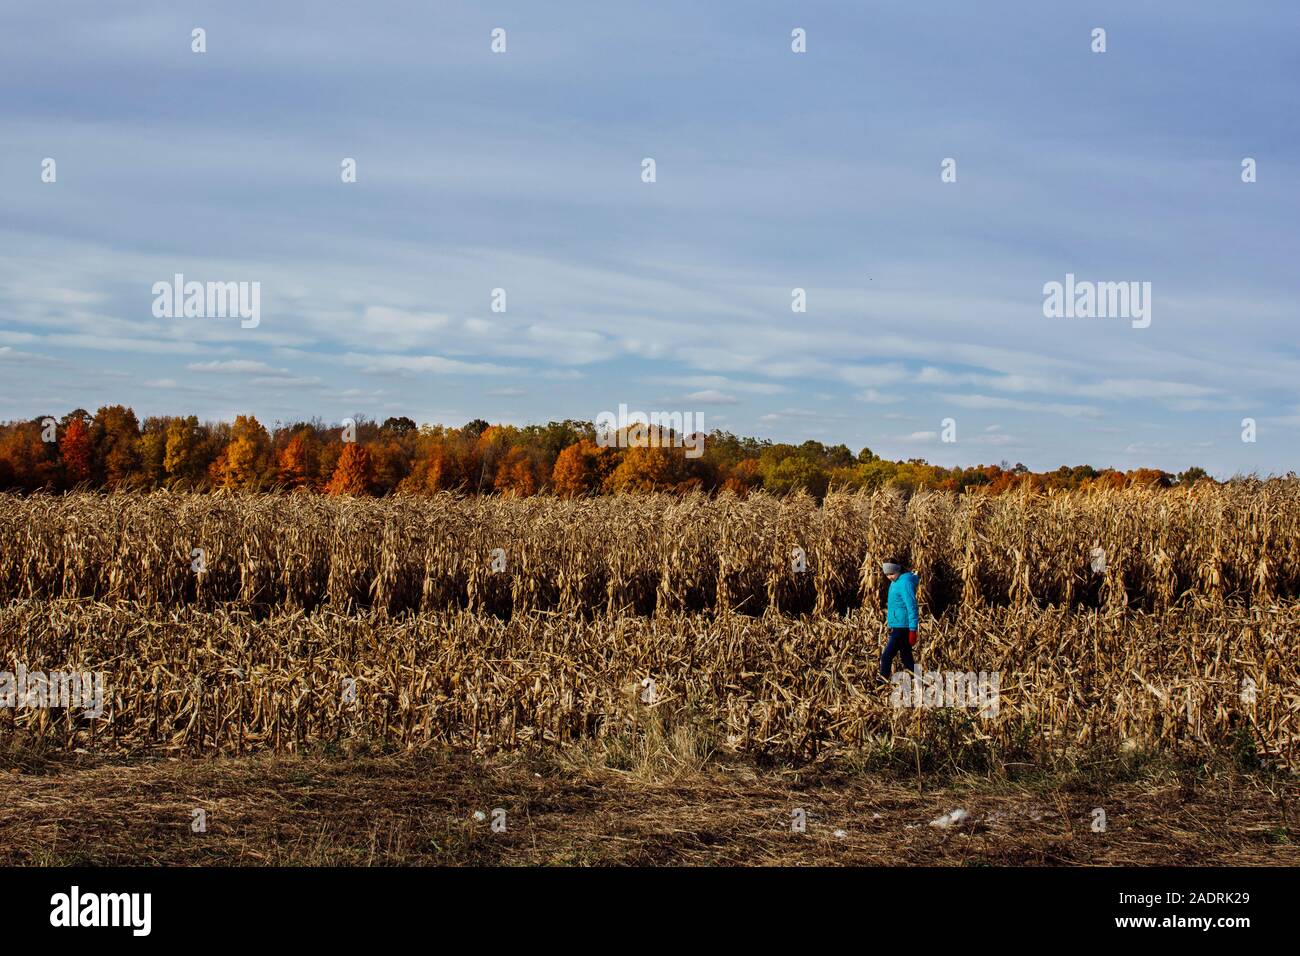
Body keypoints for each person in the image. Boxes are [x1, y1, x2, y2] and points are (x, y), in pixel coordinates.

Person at [878, 560, 919, 682]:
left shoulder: (905, 583)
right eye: (887, 574)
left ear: (898, 570)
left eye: (891, 573)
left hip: (903, 626)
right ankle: (917, 680)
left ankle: (881, 682)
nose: (889, 577)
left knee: (886, 656)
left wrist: (912, 629)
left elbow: (912, 606)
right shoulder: (896, 582)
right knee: (906, 656)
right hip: (898, 624)